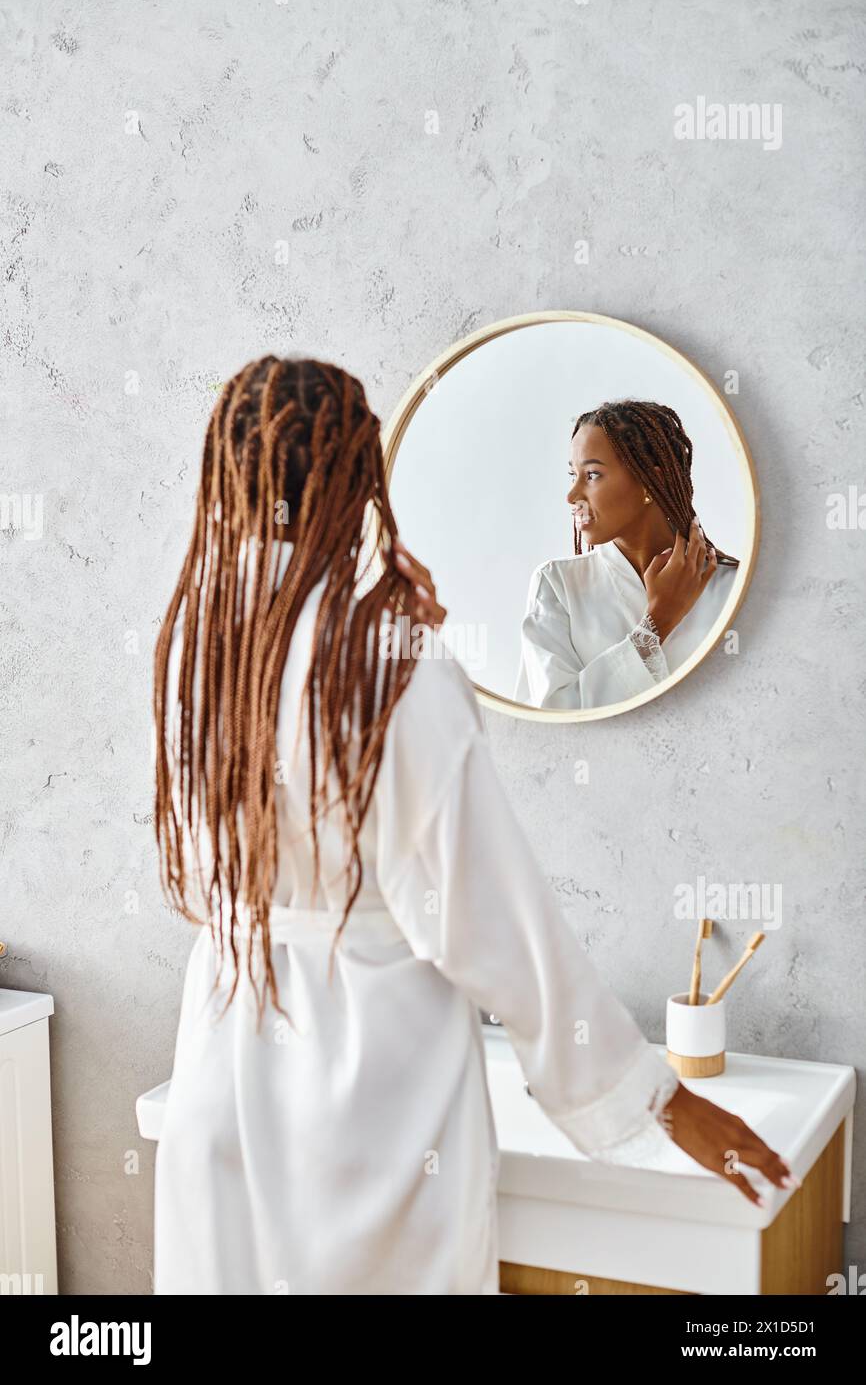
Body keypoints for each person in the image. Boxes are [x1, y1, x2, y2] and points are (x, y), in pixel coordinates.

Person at [151, 357, 793, 1295]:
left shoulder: (199, 652)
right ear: (356, 480)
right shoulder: (387, 661)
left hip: (220, 1059)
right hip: (371, 1089)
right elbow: (492, 916)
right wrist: (656, 1098)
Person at [514, 400, 740, 710]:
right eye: (573, 475)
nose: (571, 495)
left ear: (652, 480)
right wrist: (657, 623)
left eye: (592, 475)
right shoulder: (557, 584)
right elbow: (555, 717)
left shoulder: (732, 586)